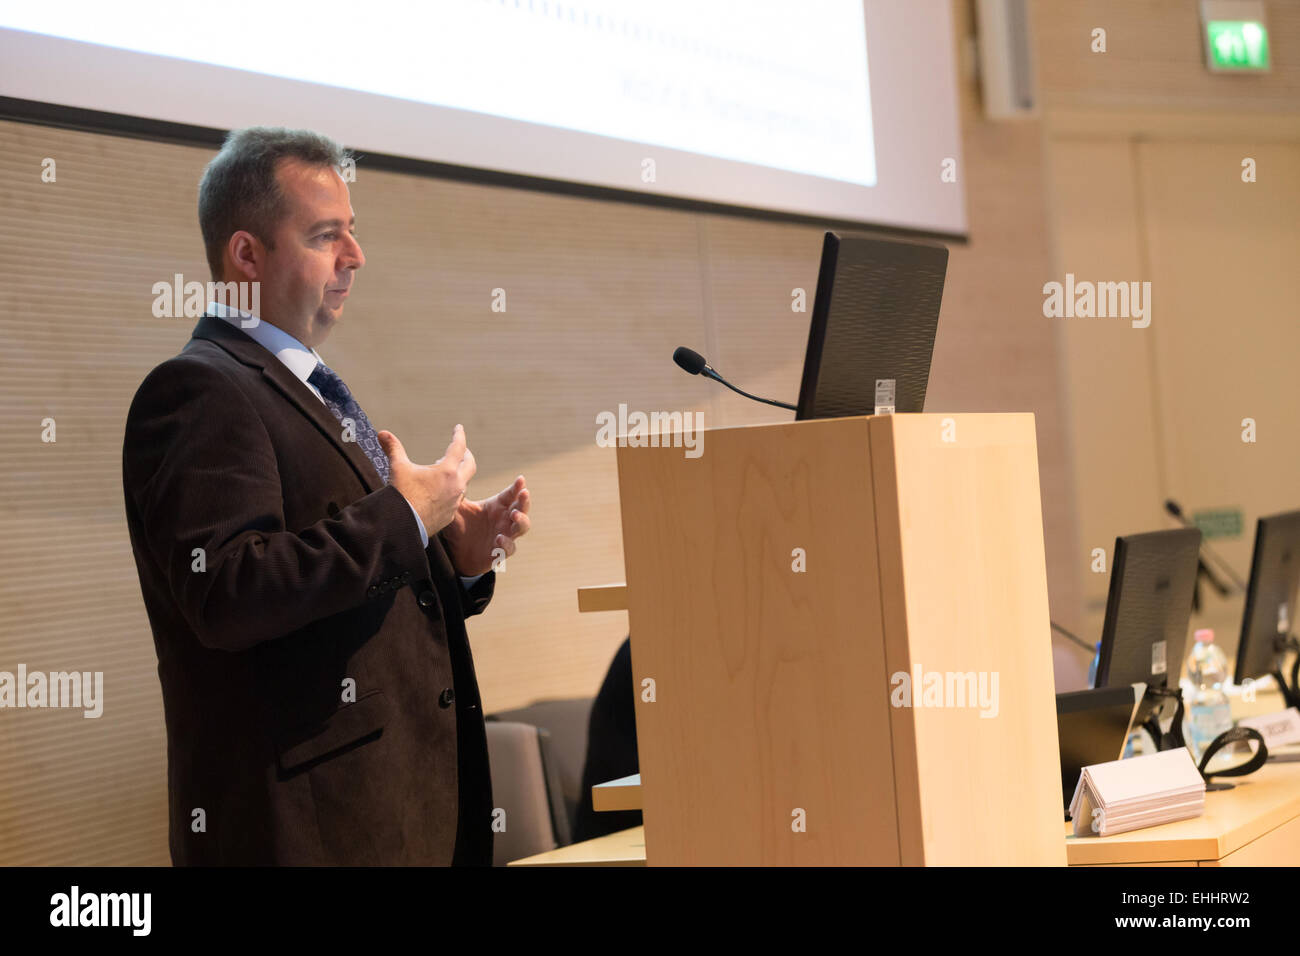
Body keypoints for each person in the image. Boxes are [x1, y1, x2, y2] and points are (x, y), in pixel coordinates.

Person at [121, 126, 531, 865]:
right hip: (312, 832)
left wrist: (453, 560)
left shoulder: (300, 387)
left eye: (352, 233)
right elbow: (233, 590)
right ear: (247, 255)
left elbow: (346, 590)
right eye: (325, 235)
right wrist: (405, 517)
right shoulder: (198, 390)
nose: (355, 257)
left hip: (393, 812)